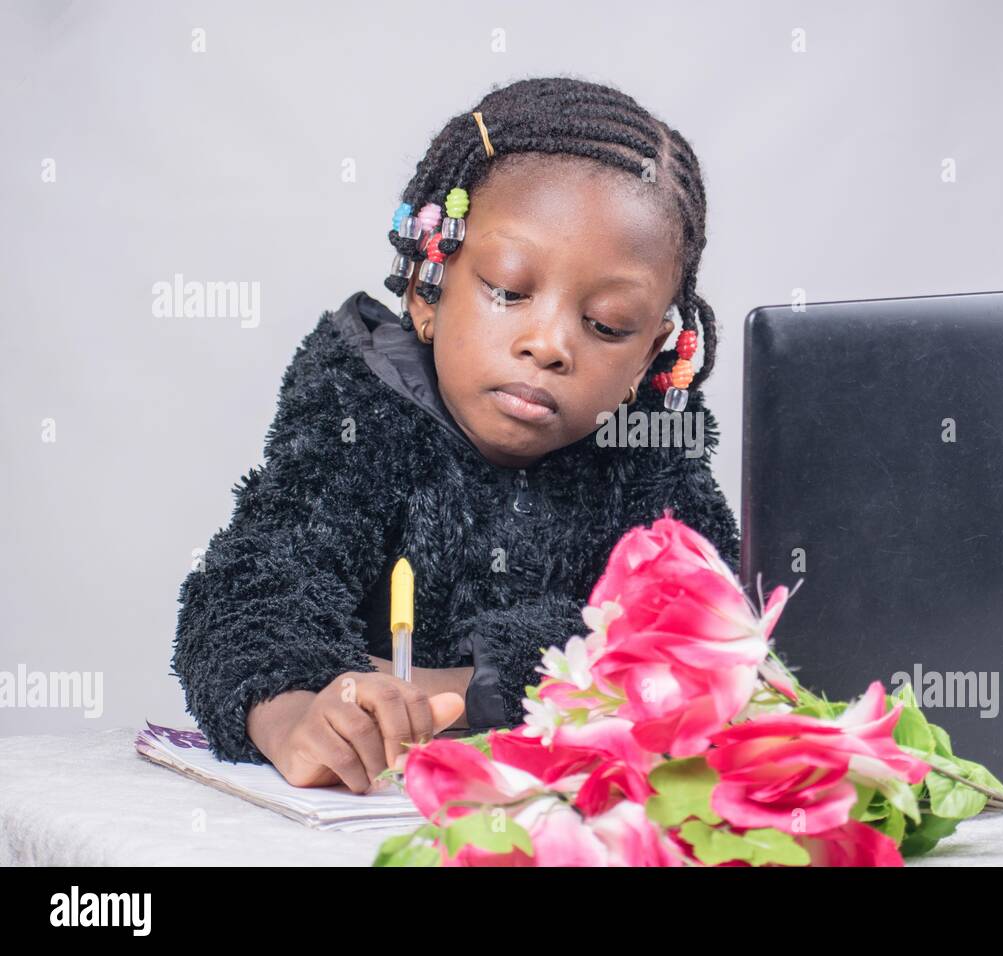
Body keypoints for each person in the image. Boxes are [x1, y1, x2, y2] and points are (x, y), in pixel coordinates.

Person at [170, 76, 740, 794]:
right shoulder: (362, 408)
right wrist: (295, 714)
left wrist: (469, 688)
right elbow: (250, 586)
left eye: (607, 325)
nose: (549, 344)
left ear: (650, 354)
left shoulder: (650, 454)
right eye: (507, 288)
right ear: (426, 285)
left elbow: (705, 639)